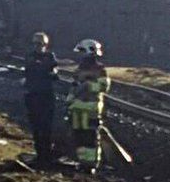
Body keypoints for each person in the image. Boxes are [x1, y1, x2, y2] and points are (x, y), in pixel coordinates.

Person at [66, 39, 110, 173]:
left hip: (90, 110)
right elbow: (73, 87)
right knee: (79, 136)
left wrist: (88, 86)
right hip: (78, 110)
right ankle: (82, 162)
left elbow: (104, 86)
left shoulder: (100, 69)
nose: (80, 56)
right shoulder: (79, 69)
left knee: (90, 138)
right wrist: (69, 102)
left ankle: (91, 165)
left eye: (81, 52)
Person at [24, 32, 59, 164]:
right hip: (33, 95)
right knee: (36, 126)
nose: (38, 47)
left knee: (46, 126)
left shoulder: (50, 56)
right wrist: (46, 70)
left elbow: (54, 73)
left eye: (40, 44)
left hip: (46, 95)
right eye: (36, 44)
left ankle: (46, 153)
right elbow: (33, 70)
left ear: (45, 45)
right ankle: (40, 153)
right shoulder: (30, 56)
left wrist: (48, 71)